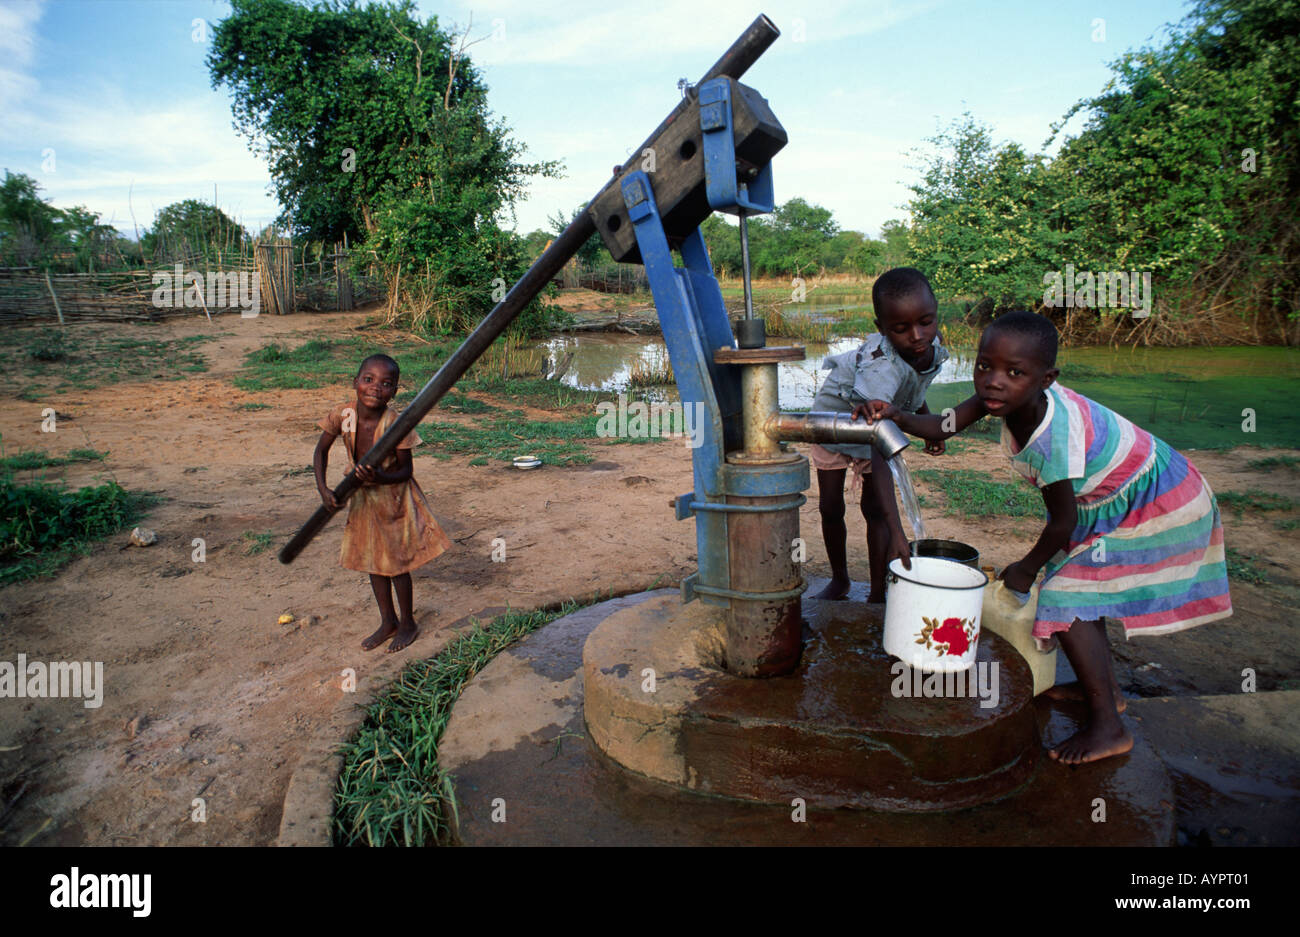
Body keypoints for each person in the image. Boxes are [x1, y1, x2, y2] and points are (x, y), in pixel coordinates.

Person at [861, 310, 1232, 764]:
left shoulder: (1056, 434)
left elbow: (1062, 523)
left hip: (1158, 500)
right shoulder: (1000, 398)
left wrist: (1026, 568)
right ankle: (1106, 693)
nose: (994, 381)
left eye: (1014, 372)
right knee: (1078, 589)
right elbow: (942, 426)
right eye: (984, 366)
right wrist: (896, 414)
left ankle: (1109, 729)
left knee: (1066, 594)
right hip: (1113, 495)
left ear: (1046, 378)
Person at [809, 267, 949, 603]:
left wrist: (928, 420)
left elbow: (916, 384)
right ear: (882, 329)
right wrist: (898, 529)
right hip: (836, 419)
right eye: (901, 329)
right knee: (831, 507)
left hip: (875, 421)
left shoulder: (929, 346)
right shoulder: (881, 367)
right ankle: (840, 580)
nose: (917, 336)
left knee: (874, 509)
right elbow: (880, 446)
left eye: (926, 322)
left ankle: (876, 592)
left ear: (934, 314)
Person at [314, 354, 452, 652]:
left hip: (394, 501)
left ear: (395, 391)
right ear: (356, 382)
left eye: (386, 383)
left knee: (396, 564)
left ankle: (408, 623)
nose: (376, 387)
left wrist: (379, 477)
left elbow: (406, 470)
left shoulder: (395, 424)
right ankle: (387, 621)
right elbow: (320, 451)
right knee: (372, 562)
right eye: (369, 380)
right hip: (363, 501)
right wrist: (323, 488)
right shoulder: (343, 415)